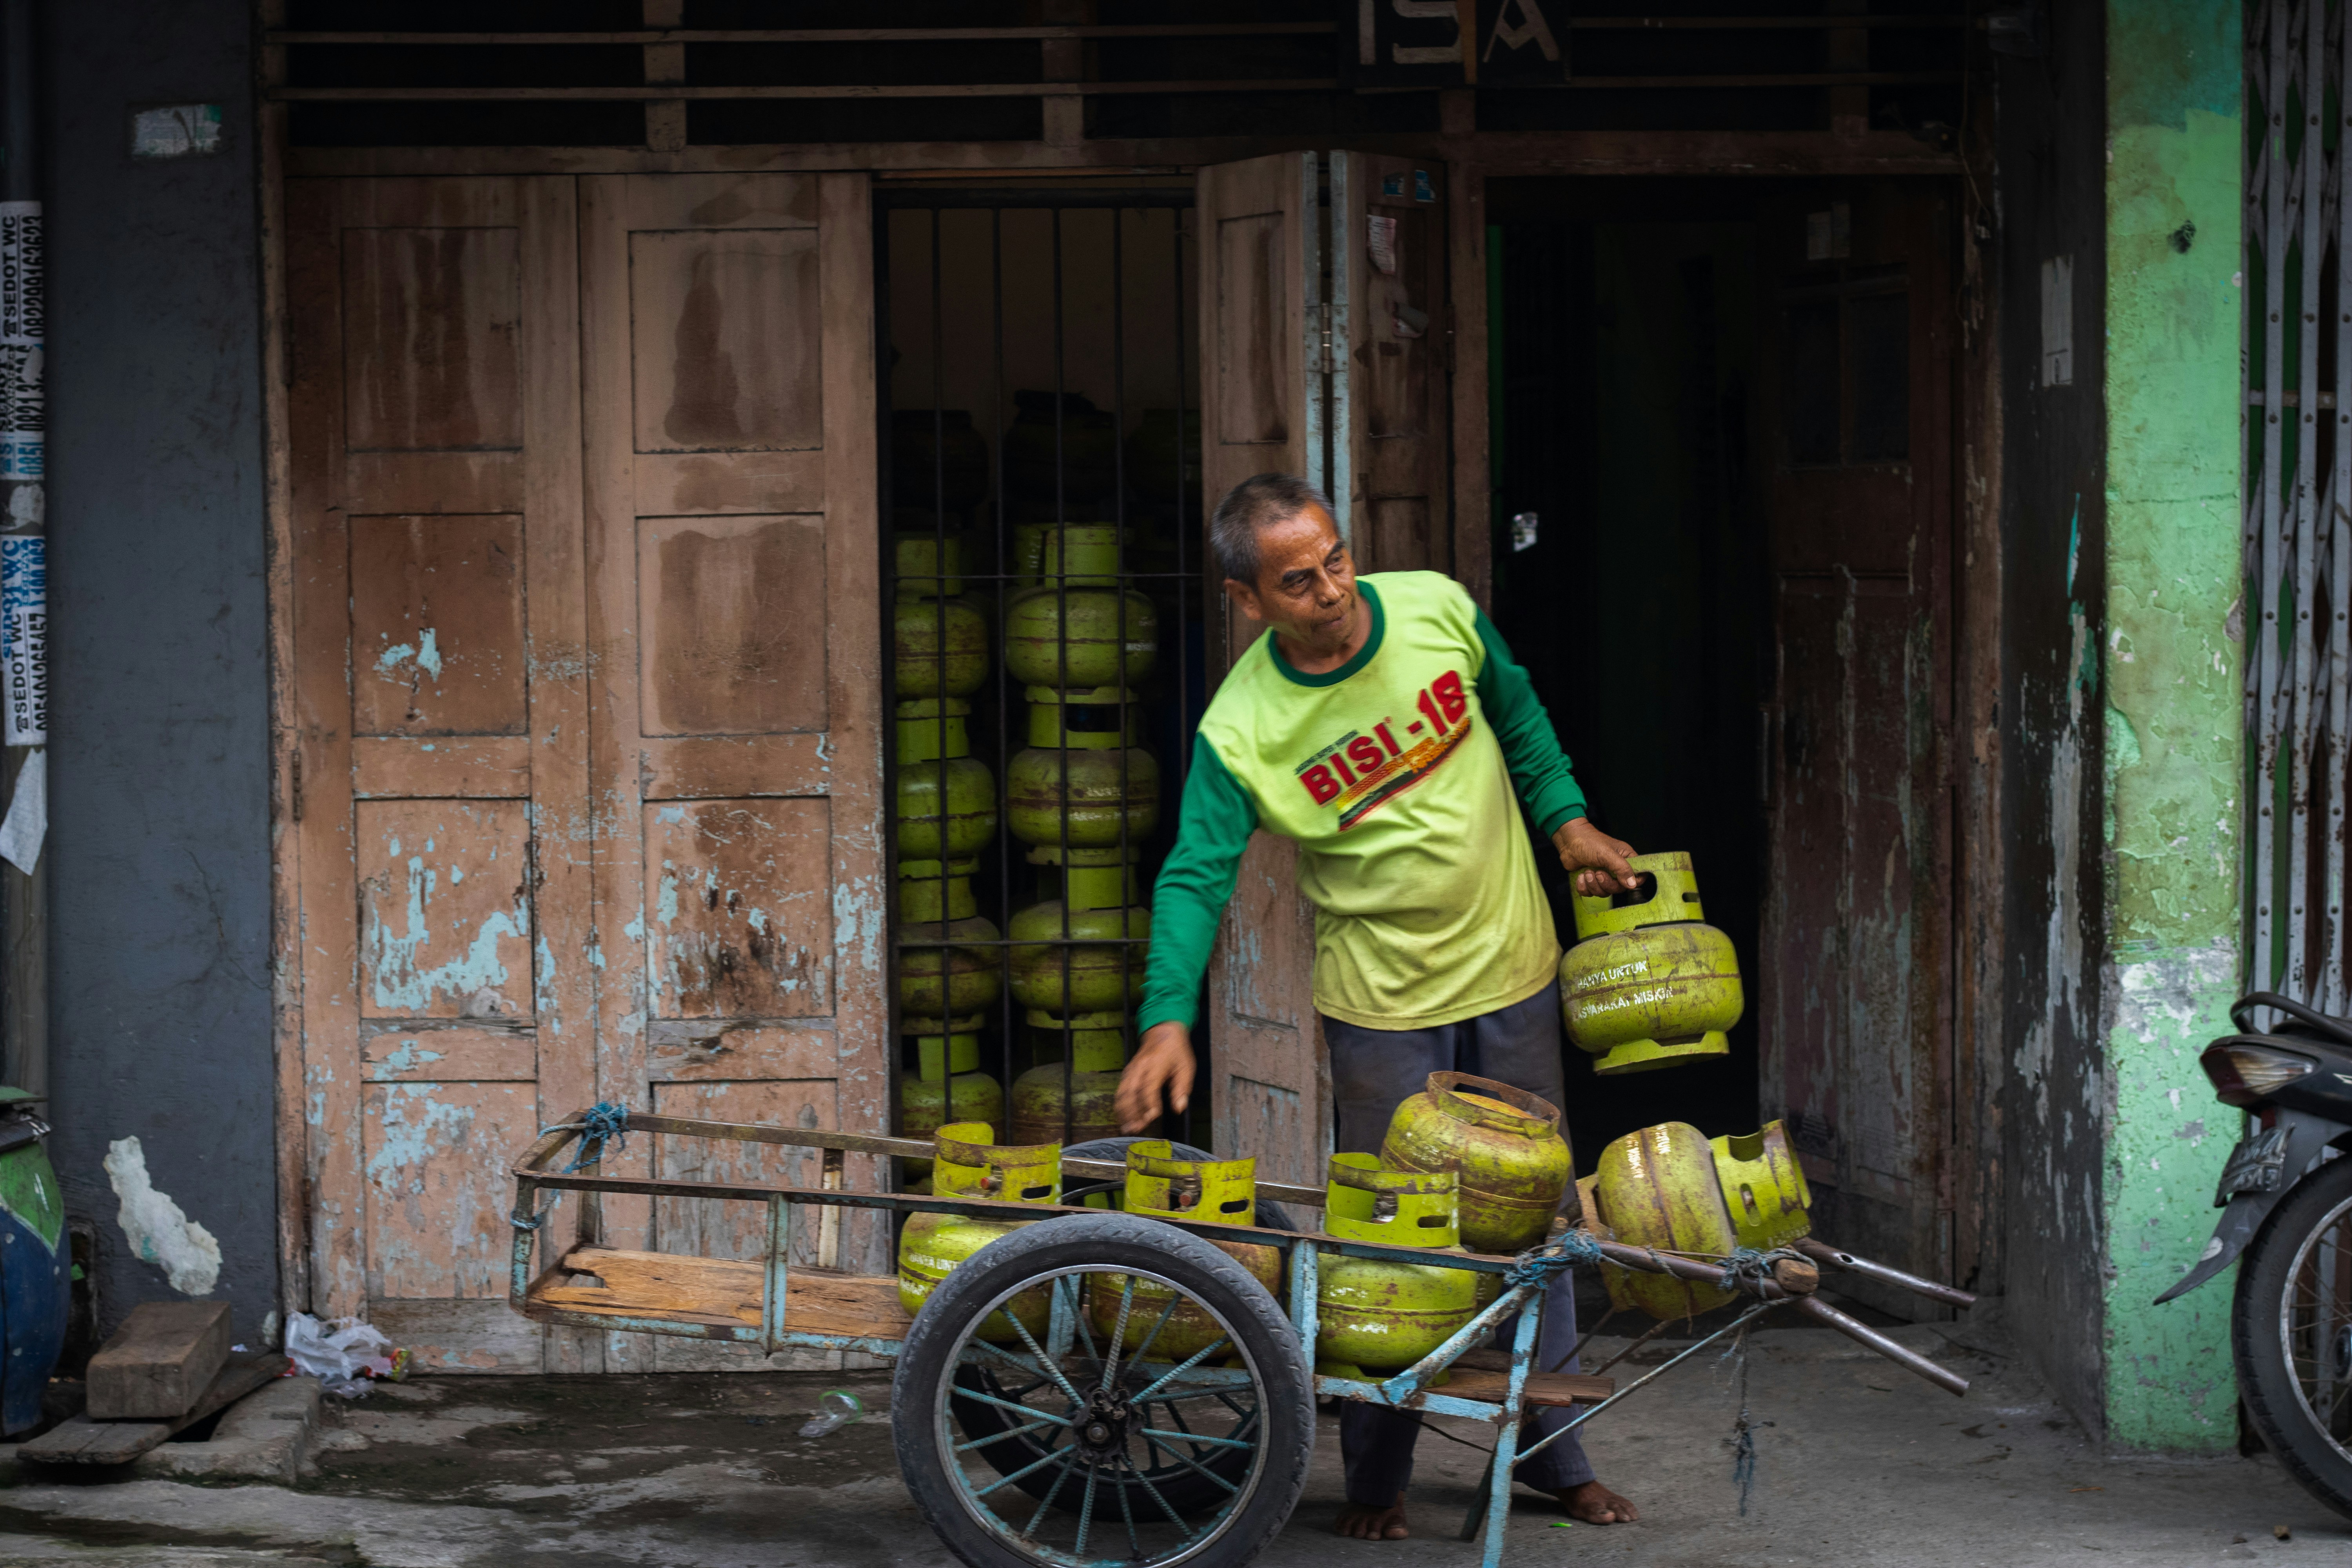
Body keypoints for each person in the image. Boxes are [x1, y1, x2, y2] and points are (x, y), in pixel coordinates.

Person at [1113, 473, 1643, 1540]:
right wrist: (1167, 1017)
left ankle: (1553, 1455)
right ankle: (1376, 1477)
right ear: (1249, 600)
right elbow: (1193, 875)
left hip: (1514, 968)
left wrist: (1569, 822)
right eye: (1298, 581)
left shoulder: (1440, 608)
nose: (1332, 592)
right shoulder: (1244, 728)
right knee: (1395, 1244)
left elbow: (1521, 713)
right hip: (1383, 1010)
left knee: (1542, 1227)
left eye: (1338, 560)